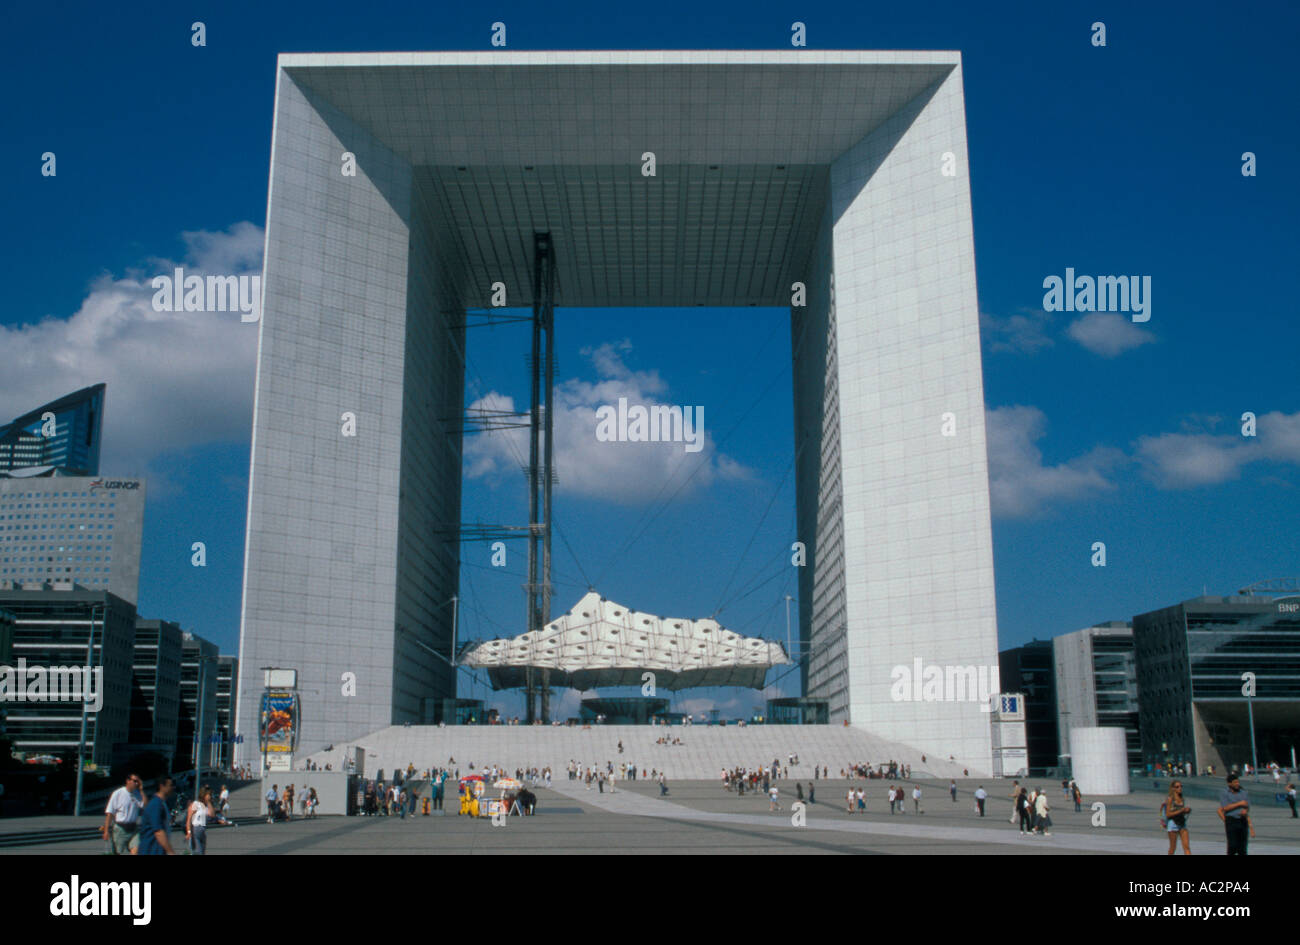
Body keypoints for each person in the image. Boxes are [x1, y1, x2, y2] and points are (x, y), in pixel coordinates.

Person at [102, 773, 144, 855]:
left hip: (133, 828)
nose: (136, 783)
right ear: (128, 781)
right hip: (120, 829)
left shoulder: (137, 794)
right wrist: (106, 831)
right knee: (117, 852)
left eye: (138, 782)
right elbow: (110, 813)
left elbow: (144, 805)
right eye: (135, 781)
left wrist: (141, 790)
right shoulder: (118, 793)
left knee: (136, 850)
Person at [1217, 773, 1254, 855]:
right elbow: (1225, 808)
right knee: (1232, 845)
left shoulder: (1244, 792)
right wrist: (1239, 804)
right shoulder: (1224, 793)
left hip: (1242, 820)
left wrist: (1246, 810)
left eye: (1238, 782)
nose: (1237, 784)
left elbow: (1247, 805)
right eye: (1235, 782)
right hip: (1231, 820)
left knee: (1243, 847)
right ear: (1229, 783)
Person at [138, 777, 176, 856]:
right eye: (171, 785)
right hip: (151, 850)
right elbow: (158, 831)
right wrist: (170, 851)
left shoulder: (162, 803)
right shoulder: (156, 804)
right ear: (161, 786)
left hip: (158, 850)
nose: (173, 787)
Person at [1161, 781, 1191, 855]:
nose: (1180, 788)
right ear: (1173, 788)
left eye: (1181, 786)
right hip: (1173, 824)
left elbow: (1181, 812)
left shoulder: (1182, 798)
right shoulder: (1170, 799)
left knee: (1186, 846)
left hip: (1182, 823)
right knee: (1173, 847)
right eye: (1177, 787)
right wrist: (1181, 810)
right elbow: (1168, 814)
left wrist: (1186, 811)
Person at [186, 787, 215, 855]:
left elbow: (212, 815)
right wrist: (189, 832)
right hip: (195, 830)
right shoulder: (195, 804)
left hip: (202, 831)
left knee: (202, 851)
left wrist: (208, 802)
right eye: (209, 794)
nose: (210, 796)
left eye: (210, 795)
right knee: (198, 852)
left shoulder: (206, 806)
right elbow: (189, 819)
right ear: (204, 794)